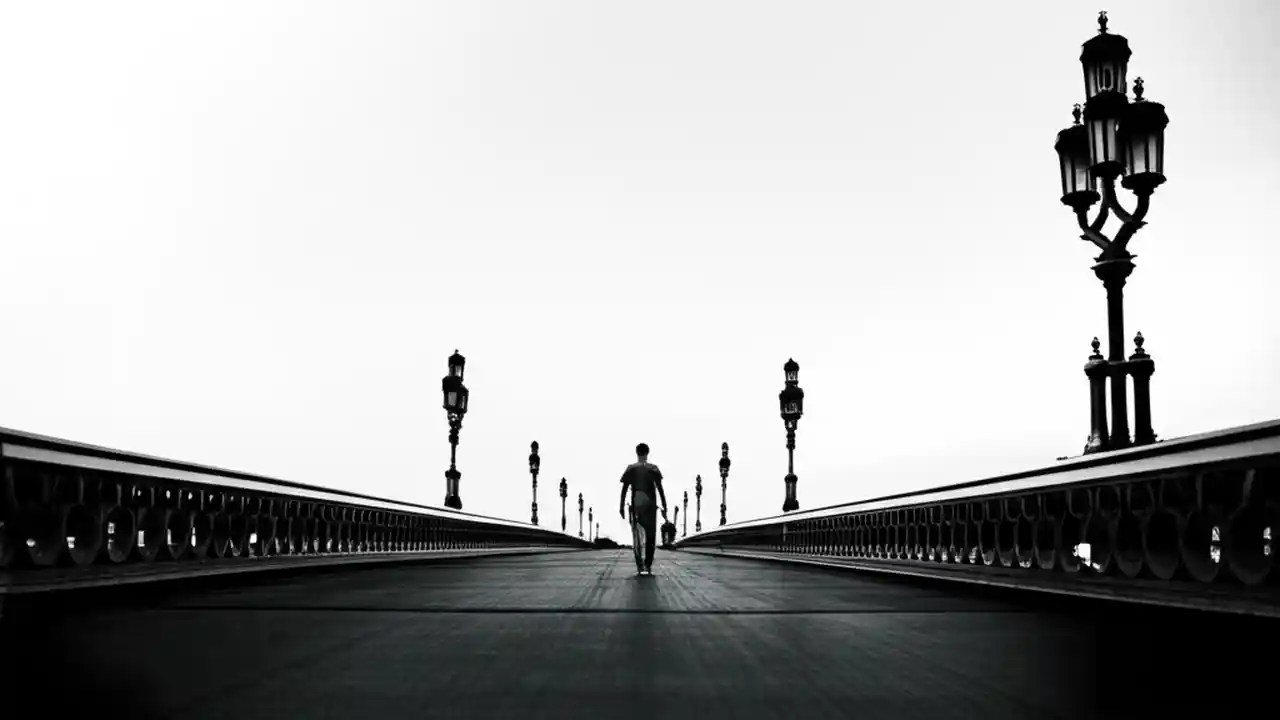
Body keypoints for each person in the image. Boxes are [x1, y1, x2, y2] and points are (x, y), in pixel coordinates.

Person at [618, 442, 668, 576]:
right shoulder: (654, 469)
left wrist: (621, 506)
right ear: (647, 453)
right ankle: (648, 564)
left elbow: (624, 489)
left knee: (637, 536)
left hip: (636, 505)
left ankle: (640, 565)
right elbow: (660, 489)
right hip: (651, 505)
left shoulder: (631, 469)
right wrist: (664, 505)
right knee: (651, 535)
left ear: (637, 453)